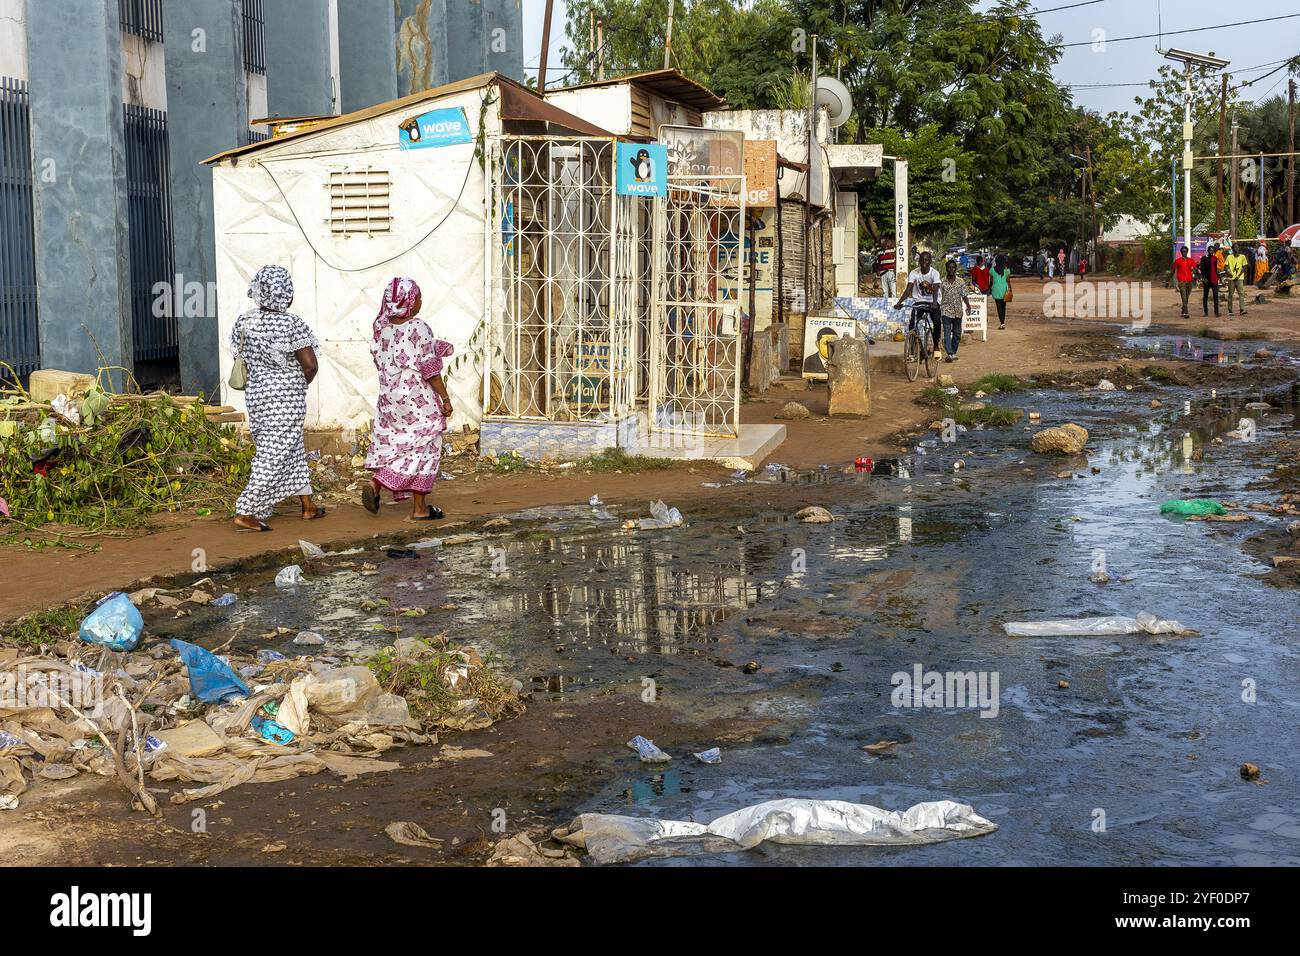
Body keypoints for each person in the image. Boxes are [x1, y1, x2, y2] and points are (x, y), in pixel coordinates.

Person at [229, 265, 325, 532]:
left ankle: (308, 506)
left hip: (258, 396)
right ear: (286, 292)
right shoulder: (291, 323)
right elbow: (310, 365)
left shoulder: (244, 322)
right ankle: (245, 510)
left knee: (290, 446)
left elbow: (240, 354)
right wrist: (296, 384)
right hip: (286, 399)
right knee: (273, 453)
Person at [363, 277, 455, 521]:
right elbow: (429, 370)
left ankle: (376, 485)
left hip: (390, 401)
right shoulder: (418, 327)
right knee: (426, 444)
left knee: (400, 444)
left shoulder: (381, 328)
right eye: (418, 297)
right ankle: (420, 508)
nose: (421, 302)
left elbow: (389, 355)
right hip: (417, 399)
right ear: (409, 301)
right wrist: (444, 398)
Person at [894, 249, 942, 361]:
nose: (924, 262)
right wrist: (899, 303)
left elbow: (935, 289)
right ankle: (913, 349)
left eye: (926, 260)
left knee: (937, 322)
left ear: (930, 261)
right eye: (922, 260)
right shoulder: (914, 273)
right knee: (913, 323)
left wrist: (934, 303)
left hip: (933, 302)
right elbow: (908, 290)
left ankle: (936, 346)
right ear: (919, 262)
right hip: (919, 301)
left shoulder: (935, 273)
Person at [939, 259, 971, 363]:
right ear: (946, 269)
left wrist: (968, 305)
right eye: (949, 267)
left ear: (955, 269)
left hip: (958, 311)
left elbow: (964, 295)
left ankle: (953, 352)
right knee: (947, 332)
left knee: (957, 333)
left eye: (953, 267)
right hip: (946, 310)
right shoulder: (942, 282)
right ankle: (949, 353)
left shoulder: (960, 281)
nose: (951, 269)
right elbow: (939, 296)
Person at [1224, 243, 1249, 316]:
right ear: (1232, 249)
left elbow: (1244, 267)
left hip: (1239, 278)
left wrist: (1238, 275)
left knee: (1241, 294)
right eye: (1235, 247)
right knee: (1230, 295)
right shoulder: (1229, 257)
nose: (1236, 249)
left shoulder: (1242, 257)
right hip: (1231, 278)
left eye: (1237, 247)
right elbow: (1225, 266)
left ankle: (1242, 309)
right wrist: (1229, 273)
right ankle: (1230, 311)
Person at [1173, 245, 1196, 318]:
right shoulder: (1178, 261)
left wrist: (1200, 276)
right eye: (1183, 252)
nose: (1184, 253)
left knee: (1187, 297)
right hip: (1182, 281)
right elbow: (1173, 270)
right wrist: (1167, 280)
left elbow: (1195, 268)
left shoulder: (1191, 260)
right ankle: (1186, 313)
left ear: (1187, 252)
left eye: (1185, 251)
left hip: (1189, 281)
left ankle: (1183, 309)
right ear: (1181, 252)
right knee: (1184, 297)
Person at [990, 253, 1011, 329]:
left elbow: (991, 281)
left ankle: (1002, 323)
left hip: (996, 289)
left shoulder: (992, 270)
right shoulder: (1006, 270)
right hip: (1004, 289)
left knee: (998, 307)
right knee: (1003, 307)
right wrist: (1010, 290)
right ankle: (1003, 322)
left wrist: (989, 288)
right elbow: (1008, 281)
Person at [1200, 243, 1220, 317]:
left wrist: (1218, 277)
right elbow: (1202, 269)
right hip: (1207, 280)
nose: (1211, 252)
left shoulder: (1215, 258)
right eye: (1210, 250)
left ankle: (1216, 312)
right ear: (1208, 251)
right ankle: (1205, 312)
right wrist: (1204, 278)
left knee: (1216, 296)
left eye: (1212, 250)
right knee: (1205, 296)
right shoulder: (1203, 258)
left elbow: (1215, 269)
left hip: (1214, 279)